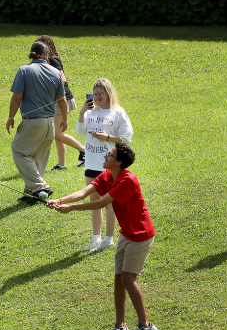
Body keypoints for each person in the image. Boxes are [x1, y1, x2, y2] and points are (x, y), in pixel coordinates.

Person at [46, 141, 158, 330]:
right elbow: (84, 193)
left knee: (127, 278)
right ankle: (121, 325)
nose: (105, 155)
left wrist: (70, 209)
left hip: (140, 234)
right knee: (119, 279)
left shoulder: (127, 180)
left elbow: (100, 203)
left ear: (119, 162)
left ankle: (146, 326)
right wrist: (60, 201)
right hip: (126, 233)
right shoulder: (107, 175)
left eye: (110, 154)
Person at [76, 78, 134, 251]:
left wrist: (107, 138)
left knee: (108, 202)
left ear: (109, 94)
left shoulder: (117, 113)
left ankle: (108, 239)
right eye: (95, 94)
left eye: (101, 93)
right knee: (93, 201)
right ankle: (95, 238)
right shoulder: (90, 112)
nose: (97, 97)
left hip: (108, 165)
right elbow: (80, 131)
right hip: (91, 162)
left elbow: (126, 137)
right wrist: (81, 113)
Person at [7, 41, 67, 202]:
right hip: (50, 122)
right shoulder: (55, 72)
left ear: (32, 53)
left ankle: (40, 187)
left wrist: (11, 117)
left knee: (19, 150)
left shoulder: (24, 70)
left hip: (32, 122)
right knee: (39, 157)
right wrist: (65, 119)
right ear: (47, 55)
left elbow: (17, 97)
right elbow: (62, 99)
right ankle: (32, 193)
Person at [36, 35, 85, 171]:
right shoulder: (46, 61)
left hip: (62, 99)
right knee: (58, 135)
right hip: (55, 100)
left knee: (56, 133)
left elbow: (62, 79)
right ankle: (61, 165)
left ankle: (84, 151)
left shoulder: (53, 59)